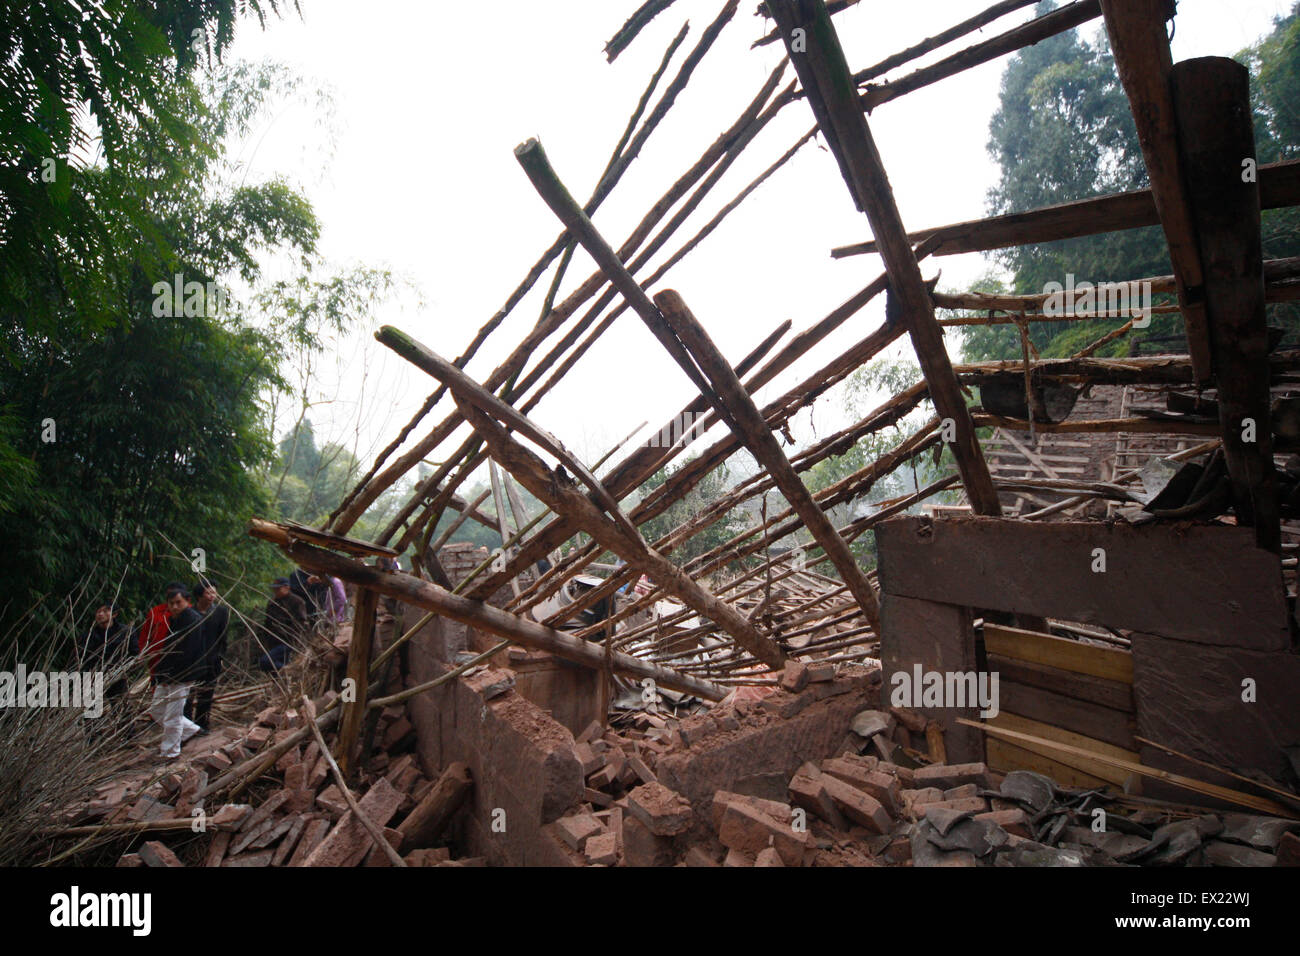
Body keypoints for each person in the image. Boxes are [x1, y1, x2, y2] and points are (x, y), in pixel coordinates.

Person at [148, 585, 205, 759]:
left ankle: (170, 753)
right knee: (156, 709)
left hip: (182, 674)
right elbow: (168, 649)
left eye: (178, 602)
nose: (174, 606)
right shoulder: (175, 619)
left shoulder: (192, 620)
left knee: (173, 715)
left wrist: (171, 676)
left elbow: (187, 653)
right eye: (171, 603)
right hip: (168, 673)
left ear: (187, 602)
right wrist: (160, 674)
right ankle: (191, 730)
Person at [183, 579, 229, 734]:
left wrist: (221, 657)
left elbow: (223, 637)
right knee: (187, 696)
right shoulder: (189, 613)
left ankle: (202, 725)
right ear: (199, 595)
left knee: (206, 694)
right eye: (208, 592)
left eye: (214, 592)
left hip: (212, 659)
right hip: (192, 660)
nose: (212, 596)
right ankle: (188, 727)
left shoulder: (221, 612)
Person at [83, 604, 132, 735]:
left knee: (121, 706)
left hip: (116, 674)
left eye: (105, 611)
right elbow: (82, 657)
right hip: (93, 676)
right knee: (92, 711)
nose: (100, 614)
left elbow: (134, 653)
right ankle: (92, 740)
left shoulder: (124, 632)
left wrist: (124, 669)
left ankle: (128, 737)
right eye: (98, 611)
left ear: (114, 614)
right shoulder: (89, 635)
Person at [260, 577, 307, 673]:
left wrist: (290, 637)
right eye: (274, 589)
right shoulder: (272, 603)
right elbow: (267, 622)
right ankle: (284, 677)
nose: (275, 591)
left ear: (287, 587)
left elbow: (300, 624)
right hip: (273, 641)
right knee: (274, 670)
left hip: (288, 642)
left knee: (265, 661)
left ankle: (291, 671)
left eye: (278, 589)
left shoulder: (297, 601)